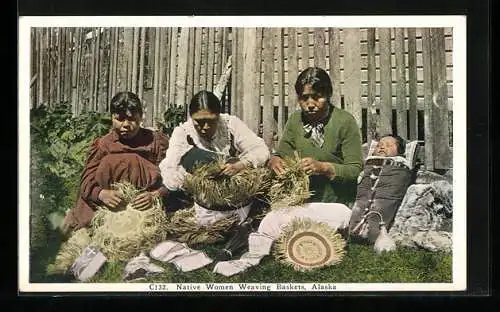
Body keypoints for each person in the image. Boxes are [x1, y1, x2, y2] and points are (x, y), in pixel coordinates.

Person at [62, 91, 169, 233]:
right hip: (107, 205)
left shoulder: (155, 142)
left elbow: (171, 176)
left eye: (131, 119)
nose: (126, 125)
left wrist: (155, 195)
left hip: (143, 204)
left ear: (140, 117)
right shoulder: (104, 144)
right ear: (112, 118)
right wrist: (101, 194)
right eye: (120, 119)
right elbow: (87, 179)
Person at [159, 90, 271, 226]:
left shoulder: (230, 124)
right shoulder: (183, 133)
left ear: (218, 116)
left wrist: (240, 165)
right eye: (199, 121)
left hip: (235, 194)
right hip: (201, 199)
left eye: (211, 121)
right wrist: (196, 179)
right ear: (191, 117)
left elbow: (260, 150)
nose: (205, 127)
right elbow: (171, 168)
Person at [268, 66, 363, 206]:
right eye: (304, 98)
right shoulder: (295, 120)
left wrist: (323, 168)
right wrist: (275, 161)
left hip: (335, 202)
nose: (310, 104)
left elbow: (354, 169)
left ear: (328, 95)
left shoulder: (345, 121)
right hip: (299, 200)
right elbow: (282, 154)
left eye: (317, 97)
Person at [348, 134, 415, 244]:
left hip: (390, 178)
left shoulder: (400, 167)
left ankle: (372, 231)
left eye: (388, 145)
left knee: (380, 206)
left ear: (400, 152)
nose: (382, 147)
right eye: (379, 145)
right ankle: (356, 228)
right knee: (360, 204)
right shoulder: (366, 165)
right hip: (367, 182)